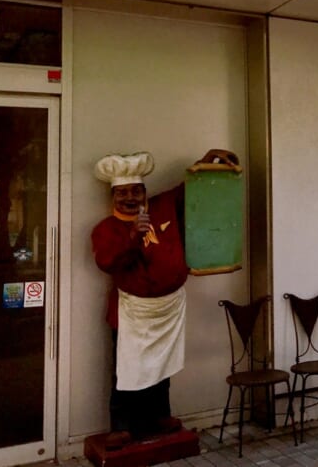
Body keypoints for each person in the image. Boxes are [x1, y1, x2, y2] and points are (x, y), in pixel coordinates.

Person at [91, 149, 236, 449]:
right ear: (113, 196)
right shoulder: (106, 229)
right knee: (126, 368)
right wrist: (132, 236)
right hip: (133, 311)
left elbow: (190, 189)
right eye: (122, 193)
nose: (129, 198)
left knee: (163, 364)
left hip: (169, 307)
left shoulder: (162, 206)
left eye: (135, 191)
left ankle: (160, 415)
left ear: (145, 192)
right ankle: (121, 425)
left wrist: (208, 161)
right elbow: (107, 261)